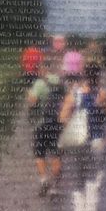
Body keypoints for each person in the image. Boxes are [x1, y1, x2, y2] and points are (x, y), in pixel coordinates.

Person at [58, 62, 106, 211]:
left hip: (79, 143)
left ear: (83, 75)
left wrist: (75, 124)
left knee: (78, 184)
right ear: (98, 76)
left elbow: (63, 117)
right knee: (93, 186)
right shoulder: (102, 94)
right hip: (97, 143)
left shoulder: (74, 93)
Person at [27, 68, 64, 196]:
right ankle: (55, 187)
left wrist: (29, 96)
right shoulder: (60, 82)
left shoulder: (39, 83)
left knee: (39, 153)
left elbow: (32, 102)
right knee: (56, 154)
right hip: (56, 123)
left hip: (41, 124)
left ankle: (44, 180)